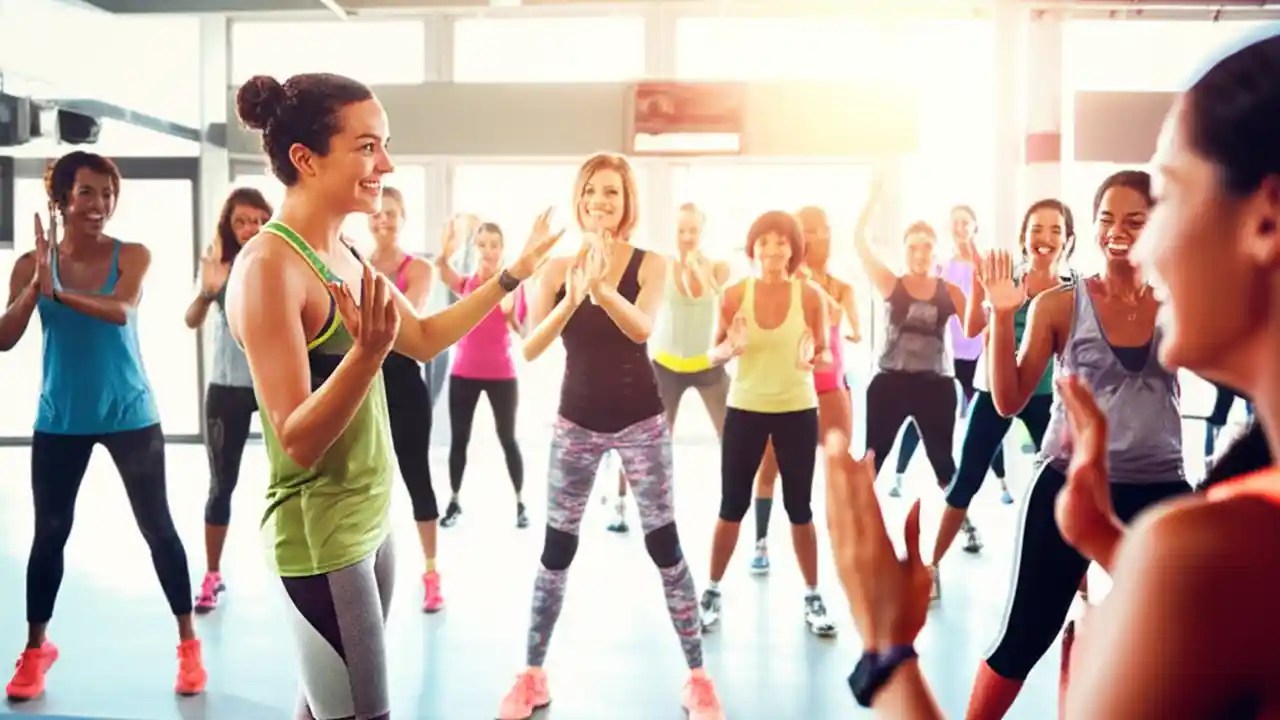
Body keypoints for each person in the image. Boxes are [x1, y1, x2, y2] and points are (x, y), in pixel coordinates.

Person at [825, 29, 1280, 720]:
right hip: (1087, 493)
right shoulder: (1223, 525)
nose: (1143, 242)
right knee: (1022, 637)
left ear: (1265, 219)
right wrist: (1104, 541)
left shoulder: (1212, 545)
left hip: (1154, 489)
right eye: (1116, 220)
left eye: (1169, 197)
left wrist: (885, 648)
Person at [227, 72, 560, 720]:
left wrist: (512, 274)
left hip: (372, 521)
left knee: (324, 707)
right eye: (368, 146)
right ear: (305, 158)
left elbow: (428, 336)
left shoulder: (344, 248)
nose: (387, 164)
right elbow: (295, 438)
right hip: (322, 538)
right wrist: (366, 354)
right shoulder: (270, 268)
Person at [497, 152, 723, 720]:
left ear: (627, 205)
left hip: (641, 420)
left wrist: (601, 288)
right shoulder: (554, 269)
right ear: (580, 198)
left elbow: (642, 327)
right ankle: (532, 674)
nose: (601, 202)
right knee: (557, 550)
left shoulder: (653, 262)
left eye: (613, 194)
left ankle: (697, 677)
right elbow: (529, 345)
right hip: (575, 422)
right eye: (592, 191)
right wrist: (574, 294)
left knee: (665, 547)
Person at [2, 151, 206, 700]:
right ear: (63, 198)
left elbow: (122, 308)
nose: (100, 205)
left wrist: (60, 291)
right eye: (88, 192)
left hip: (129, 414)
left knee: (157, 527)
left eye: (108, 193)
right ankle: (35, 649)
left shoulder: (133, 254)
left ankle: (188, 644)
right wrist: (34, 286)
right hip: (60, 415)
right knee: (49, 534)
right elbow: (4, 337)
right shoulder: (31, 265)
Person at [697, 210, 839, 638]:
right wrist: (730, 348)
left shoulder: (811, 296)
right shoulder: (734, 294)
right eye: (765, 241)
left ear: (794, 249)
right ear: (753, 247)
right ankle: (712, 592)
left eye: (782, 241)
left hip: (797, 409)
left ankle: (813, 596)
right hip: (745, 408)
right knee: (731, 506)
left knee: (800, 508)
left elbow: (827, 353)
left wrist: (812, 358)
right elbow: (711, 355)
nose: (773, 249)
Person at [926, 199, 1075, 602]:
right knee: (966, 480)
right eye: (1037, 229)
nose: (1045, 238)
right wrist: (986, 293)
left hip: (1045, 397)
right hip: (994, 392)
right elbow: (973, 327)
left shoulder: (1073, 290)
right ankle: (930, 568)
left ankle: (1079, 586)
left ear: (1067, 240)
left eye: (1055, 230)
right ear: (1024, 236)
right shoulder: (1003, 275)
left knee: (1069, 482)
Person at [749, 205, 860, 576]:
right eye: (806, 230)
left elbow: (849, 329)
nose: (815, 236)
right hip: (786, 392)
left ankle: (843, 543)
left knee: (839, 471)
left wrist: (818, 292)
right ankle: (760, 542)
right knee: (769, 468)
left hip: (831, 389)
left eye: (820, 228)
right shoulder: (779, 285)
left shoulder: (840, 288)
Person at [615, 201, 730, 535]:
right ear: (674, 232)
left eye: (693, 230)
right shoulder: (661, 265)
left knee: (732, 437)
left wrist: (695, 267)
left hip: (706, 366)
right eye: (682, 230)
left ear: (702, 231)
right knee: (650, 439)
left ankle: (738, 506)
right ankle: (623, 503)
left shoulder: (718, 267)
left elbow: (704, 288)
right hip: (666, 365)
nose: (687, 236)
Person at [185, 186, 273, 614]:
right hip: (227, 387)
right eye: (241, 220)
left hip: (274, 382)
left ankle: (303, 572)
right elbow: (190, 320)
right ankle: (212, 574)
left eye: (257, 219)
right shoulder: (218, 265)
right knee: (222, 485)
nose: (249, 227)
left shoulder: (279, 261)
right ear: (229, 224)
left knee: (295, 481)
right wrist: (207, 291)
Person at [854, 183, 968, 498]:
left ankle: (964, 524)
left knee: (944, 465)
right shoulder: (892, 283)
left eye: (927, 246)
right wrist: (870, 203)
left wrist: (973, 254)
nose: (920, 253)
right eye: (913, 247)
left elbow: (977, 326)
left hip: (936, 385)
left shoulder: (949, 290)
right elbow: (861, 245)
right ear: (905, 251)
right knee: (871, 460)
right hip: (890, 383)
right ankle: (856, 525)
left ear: (935, 251)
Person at [892, 205, 1011, 504]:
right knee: (920, 420)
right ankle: (898, 476)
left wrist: (969, 245)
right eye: (955, 223)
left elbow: (988, 304)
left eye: (966, 223)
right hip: (945, 358)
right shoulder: (940, 269)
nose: (959, 227)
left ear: (975, 227)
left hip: (979, 356)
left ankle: (1002, 483)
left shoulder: (982, 265)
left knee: (986, 419)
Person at [367, 185, 445, 613]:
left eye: (391, 213)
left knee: (417, 478)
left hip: (403, 385)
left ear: (403, 218)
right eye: (377, 213)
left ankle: (431, 572)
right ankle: (366, 566)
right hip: (363, 385)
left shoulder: (419, 269)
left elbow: (404, 322)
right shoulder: (352, 263)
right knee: (369, 479)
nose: (383, 220)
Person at [434, 218, 529, 530]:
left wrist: (511, 311)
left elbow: (524, 331)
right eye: (482, 244)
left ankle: (520, 503)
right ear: (475, 248)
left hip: (503, 375)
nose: (488, 251)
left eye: (494, 245)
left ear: (503, 249)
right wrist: (446, 250)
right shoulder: (467, 285)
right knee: (459, 439)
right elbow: (441, 268)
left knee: (508, 439)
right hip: (464, 373)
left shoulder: (514, 286)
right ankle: (454, 500)